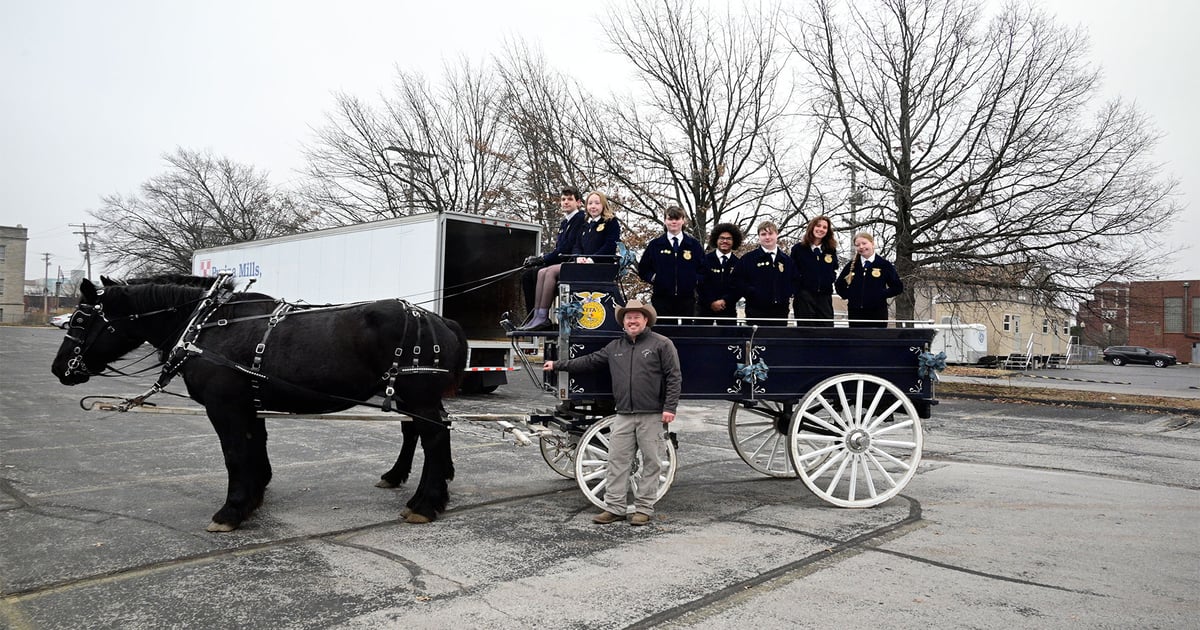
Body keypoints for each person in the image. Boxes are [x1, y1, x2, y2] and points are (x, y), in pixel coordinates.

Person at [543, 299, 681, 526]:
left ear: (646, 320)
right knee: (617, 461)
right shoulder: (615, 347)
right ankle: (615, 507)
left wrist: (669, 408)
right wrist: (557, 364)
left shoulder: (662, 344)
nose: (632, 320)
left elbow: (674, 377)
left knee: (651, 461)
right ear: (623, 322)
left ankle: (644, 508)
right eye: (629, 317)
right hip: (624, 414)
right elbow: (588, 361)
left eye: (637, 317)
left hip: (651, 414)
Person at [522, 191, 619, 330]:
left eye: (597, 203)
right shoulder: (586, 224)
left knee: (550, 272)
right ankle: (537, 316)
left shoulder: (611, 222)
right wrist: (578, 257)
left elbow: (610, 245)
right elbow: (577, 245)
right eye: (590, 203)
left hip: (599, 266)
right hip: (581, 264)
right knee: (542, 272)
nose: (593, 206)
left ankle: (542, 317)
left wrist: (591, 259)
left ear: (603, 205)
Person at [522, 188, 586, 321]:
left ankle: (540, 317)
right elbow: (559, 248)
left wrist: (542, 259)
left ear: (578, 202)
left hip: (571, 263)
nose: (565, 202)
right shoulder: (565, 222)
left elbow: (565, 249)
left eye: (570, 199)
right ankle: (533, 317)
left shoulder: (579, 219)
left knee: (534, 274)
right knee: (528, 275)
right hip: (561, 261)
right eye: (563, 199)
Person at [636, 206, 705, 323]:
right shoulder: (655, 245)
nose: (673, 222)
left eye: (677, 219)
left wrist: (694, 280)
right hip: (661, 299)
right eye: (670, 219)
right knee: (663, 334)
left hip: (687, 300)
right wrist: (655, 278)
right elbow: (643, 269)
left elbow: (704, 269)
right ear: (665, 221)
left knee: (686, 335)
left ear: (683, 220)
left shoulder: (694, 245)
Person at [731, 221, 796, 326]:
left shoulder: (787, 261)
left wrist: (785, 294)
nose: (767, 237)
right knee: (757, 341)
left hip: (780, 312)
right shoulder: (748, 259)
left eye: (770, 234)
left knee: (776, 342)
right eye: (763, 234)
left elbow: (794, 281)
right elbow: (737, 280)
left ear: (776, 235)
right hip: (755, 312)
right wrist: (751, 293)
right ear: (759, 237)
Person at [834, 232, 904, 328]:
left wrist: (881, 294)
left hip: (878, 313)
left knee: (876, 342)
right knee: (857, 341)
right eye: (857, 245)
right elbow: (839, 285)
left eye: (864, 243)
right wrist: (850, 295)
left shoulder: (884, 265)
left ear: (872, 243)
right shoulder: (852, 265)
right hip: (856, 314)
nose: (861, 247)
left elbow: (898, 287)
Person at [790, 215, 839, 327]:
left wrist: (829, 279)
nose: (821, 229)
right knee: (806, 332)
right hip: (804, 297)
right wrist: (799, 290)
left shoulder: (830, 250)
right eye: (818, 226)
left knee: (826, 332)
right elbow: (793, 272)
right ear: (812, 227)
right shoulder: (798, 249)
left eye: (824, 227)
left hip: (824, 297)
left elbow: (833, 269)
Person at [696, 222, 743, 325]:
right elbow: (699, 284)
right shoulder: (705, 260)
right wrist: (711, 302)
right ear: (716, 240)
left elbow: (739, 287)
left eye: (729, 238)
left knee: (728, 341)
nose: (725, 241)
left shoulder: (738, 263)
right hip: (704, 311)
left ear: (734, 241)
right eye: (721, 238)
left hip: (728, 311)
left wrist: (725, 301)